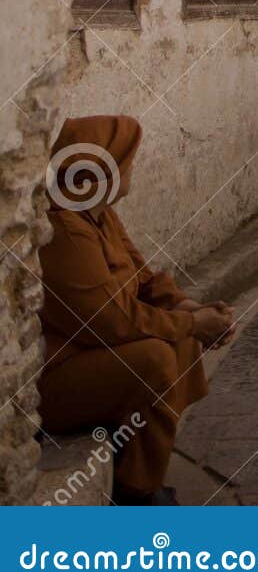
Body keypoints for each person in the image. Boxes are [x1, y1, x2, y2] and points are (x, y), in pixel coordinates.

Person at [38, 115, 237, 505]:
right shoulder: (64, 232)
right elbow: (110, 321)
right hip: (60, 377)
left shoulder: (99, 214)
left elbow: (144, 278)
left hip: (97, 353)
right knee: (155, 356)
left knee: (176, 342)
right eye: (126, 161)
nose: (132, 169)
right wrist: (194, 323)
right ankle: (136, 494)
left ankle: (143, 469)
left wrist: (189, 307)